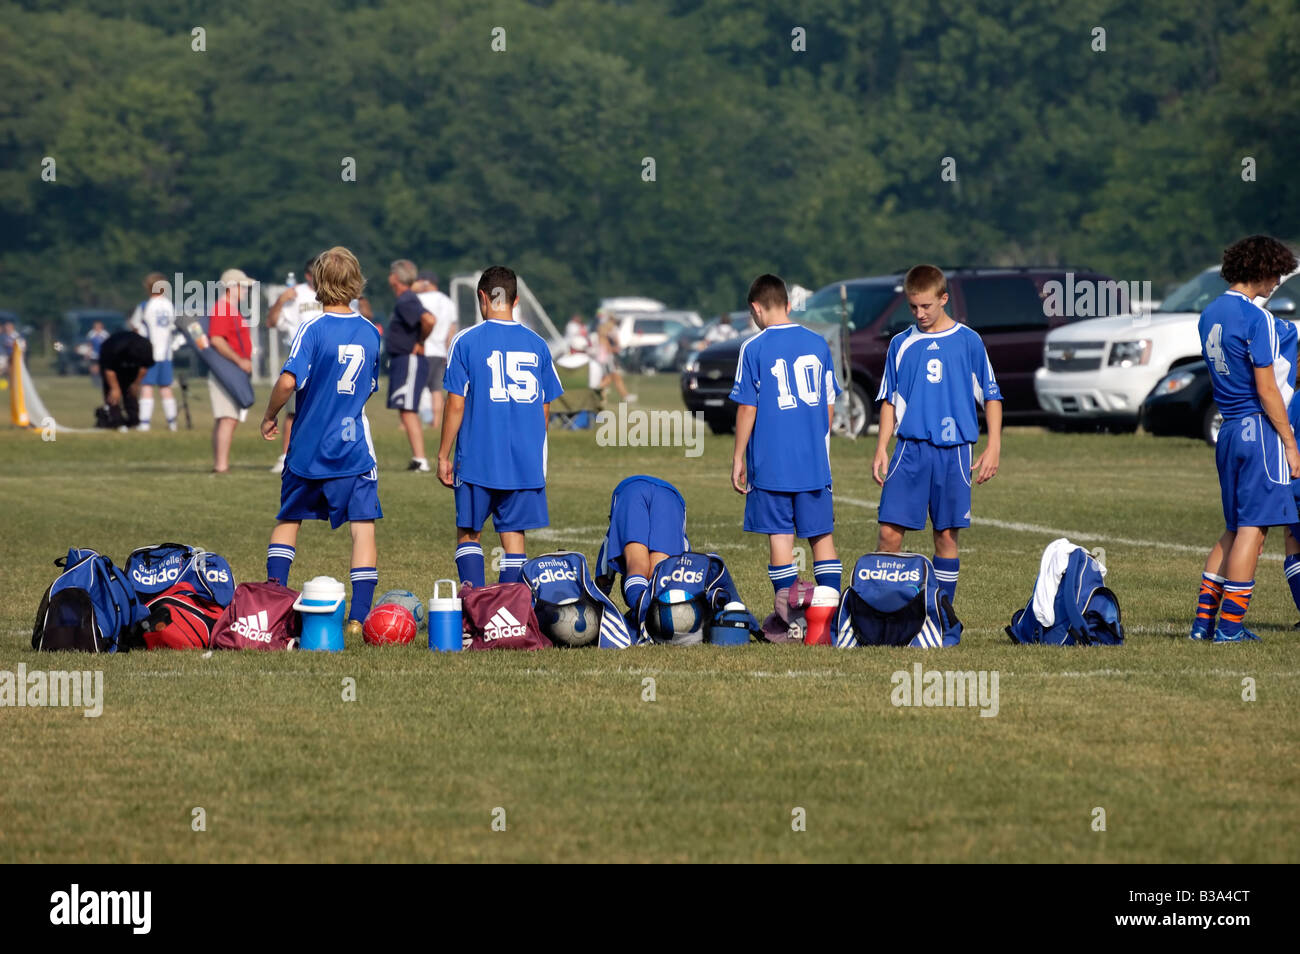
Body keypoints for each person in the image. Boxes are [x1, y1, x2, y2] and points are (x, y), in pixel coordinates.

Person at [260, 246, 382, 641]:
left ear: (317, 283)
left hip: (308, 449)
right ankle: (358, 616)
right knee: (362, 529)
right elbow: (367, 387)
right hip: (352, 448)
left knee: (288, 521)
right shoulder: (370, 332)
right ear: (355, 282)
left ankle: (275, 597)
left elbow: (288, 380)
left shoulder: (312, 329)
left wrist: (270, 414)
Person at [1190, 235, 1300, 642]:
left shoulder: (1209, 313)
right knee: (1254, 529)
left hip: (1229, 429)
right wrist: (1289, 442)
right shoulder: (1260, 319)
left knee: (1235, 526)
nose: (1276, 284)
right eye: (1276, 275)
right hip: (1259, 432)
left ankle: (1203, 623)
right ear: (1261, 271)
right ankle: (1231, 627)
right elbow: (1268, 389)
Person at [872, 264, 1002, 604]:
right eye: (913, 307)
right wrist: (882, 447)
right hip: (910, 451)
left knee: (945, 535)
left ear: (943, 298)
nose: (919, 313)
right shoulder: (900, 344)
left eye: (926, 306)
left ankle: (943, 612)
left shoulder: (968, 341)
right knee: (888, 532)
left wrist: (994, 447)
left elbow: (991, 395)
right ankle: (886, 607)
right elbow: (889, 399)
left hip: (954, 451)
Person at [437, 265, 563, 587]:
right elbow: (543, 407)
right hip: (523, 460)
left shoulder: (465, 341)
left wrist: (443, 455)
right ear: (516, 300)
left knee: (469, 533)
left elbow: (456, 403)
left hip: (478, 456)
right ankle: (508, 614)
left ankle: (475, 611)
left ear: (482, 296)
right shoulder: (538, 345)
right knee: (513, 536)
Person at [730, 274, 842, 595]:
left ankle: (791, 618)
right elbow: (829, 405)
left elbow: (747, 408)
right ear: (788, 305)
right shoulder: (819, 343)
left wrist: (738, 457)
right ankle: (829, 611)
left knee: (781, 537)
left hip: (771, 465)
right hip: (813, 463)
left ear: (756, 308)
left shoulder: (753, 347)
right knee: (822, 536)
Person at [594, 475, 690, 616]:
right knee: (659, 573)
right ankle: (649, 617)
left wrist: (599, 601)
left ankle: (643, 616)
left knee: (639, 565)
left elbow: (602, 580)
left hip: (634, 490)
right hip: (668, 495)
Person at [266, 258, 324, 473]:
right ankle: (285, 456)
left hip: (325, 355)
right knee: (293, 410)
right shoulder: (296, 294)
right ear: (308, 275)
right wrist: (281, 300)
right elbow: (271, 322)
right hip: (300, 354)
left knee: (322, 408)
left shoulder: (330, 293)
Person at [385, 259, 436, 471]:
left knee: (408, 410)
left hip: (409, 359)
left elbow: (429, 320)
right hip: (402, 359)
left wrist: (421, 341)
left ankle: (420, 459)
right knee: (405, 409)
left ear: (395, 278)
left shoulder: (406, 299)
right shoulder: (405, 299)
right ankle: (418, 458)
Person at [209, 269, 255, 474]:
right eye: (243, 286)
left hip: (233, 370)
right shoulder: (222, 308)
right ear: (232, 287)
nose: (246, 290)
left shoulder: (232, 309)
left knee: (228, 417)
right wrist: (239, 360)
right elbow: (216, 339)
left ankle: (220, 463)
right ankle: (221, 465)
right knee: (227, 417)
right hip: (226, 370)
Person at [128, 272, 179, 431]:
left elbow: (135, 326)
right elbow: (177, 327)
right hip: (166, 354)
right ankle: (172, 423)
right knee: (166, 388)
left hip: (148, 354)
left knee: (147, 387)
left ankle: (144, 424)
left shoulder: (145, 306)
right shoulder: (171, 306)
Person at [413, 270, 457, 430]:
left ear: (425, 282)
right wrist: (448, 352)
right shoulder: (448, 302)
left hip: (422, 349)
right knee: (436, 390)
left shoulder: (418, 299)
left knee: (414, 388)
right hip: (440, 352)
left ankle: (408, 423)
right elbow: (451, 330)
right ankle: (436, 423)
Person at [97, 327, 155, 428]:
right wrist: (115, 388)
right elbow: (109, 370)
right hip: (111, 362)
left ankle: (134, 421)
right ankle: (116, 420)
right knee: (112, 393)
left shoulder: (146, 347)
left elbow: (144, 367)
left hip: (130, 365)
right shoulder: (113, 348)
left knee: (131, 391)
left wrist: (136, 383)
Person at [593, 310, 633, 401]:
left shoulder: (602, 328)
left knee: (610, 377)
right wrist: (615, 348)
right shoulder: (607, 328)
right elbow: (608, 345)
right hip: (606, 357)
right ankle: (594, 391)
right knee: (610, 377)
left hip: (603, 356)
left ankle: (624, 395)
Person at [87, 319, 110, 387]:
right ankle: (95, 381)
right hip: (94, 354)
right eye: (96, 326)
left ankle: (102, 380)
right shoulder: (91, 333)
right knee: (94, 368)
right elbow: (89, 344)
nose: (97, 327)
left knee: (101, 368)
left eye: (98, 326)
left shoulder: (105, 334)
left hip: (102, 354)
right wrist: (88, 352)